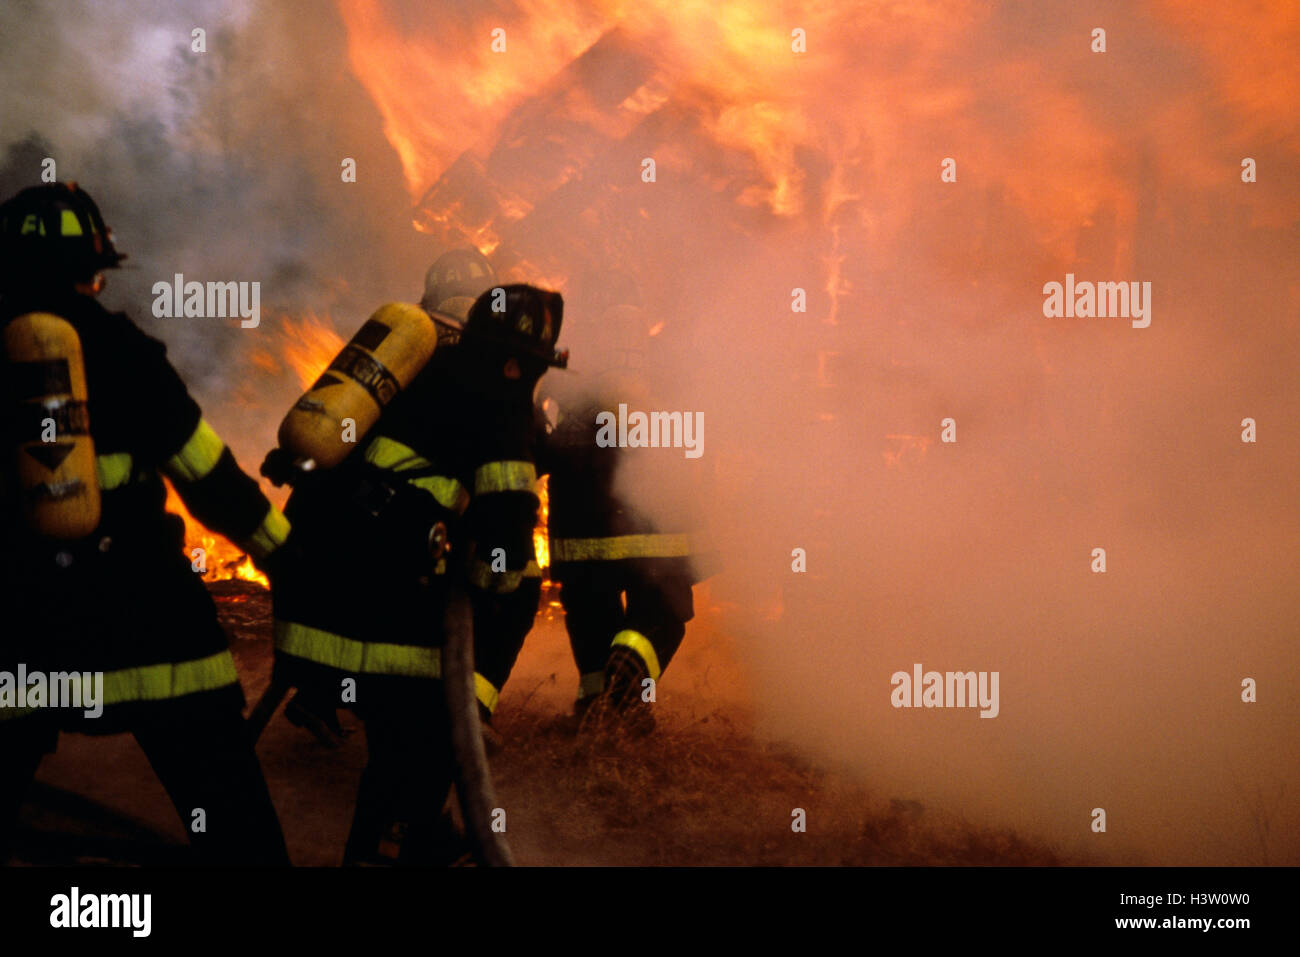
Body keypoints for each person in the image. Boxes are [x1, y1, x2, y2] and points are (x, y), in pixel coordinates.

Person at [0, 182, 291, 865]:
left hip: (23, 632)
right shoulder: (125, 350)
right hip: (154, 631)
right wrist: (286, 555)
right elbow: (210, 481)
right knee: (233, 825)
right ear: (92, 270)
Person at [268, 282, 564, 864]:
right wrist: (492, 594)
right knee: (420, 750)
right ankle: (389, 846)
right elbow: (505, 540)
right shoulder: (502, 407)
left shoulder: (412, 371)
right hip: (380, 628)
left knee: (403, 742)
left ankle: (424, 838)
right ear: (519, 363)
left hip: (304, 607)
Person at [538, 302, 709, 732]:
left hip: (583, 552)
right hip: (656, 549)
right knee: (661, 617)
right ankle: (625, 692)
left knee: (591, 615)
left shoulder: (571, 398)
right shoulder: (664, 396)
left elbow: (540, 456)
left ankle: (599, 705)